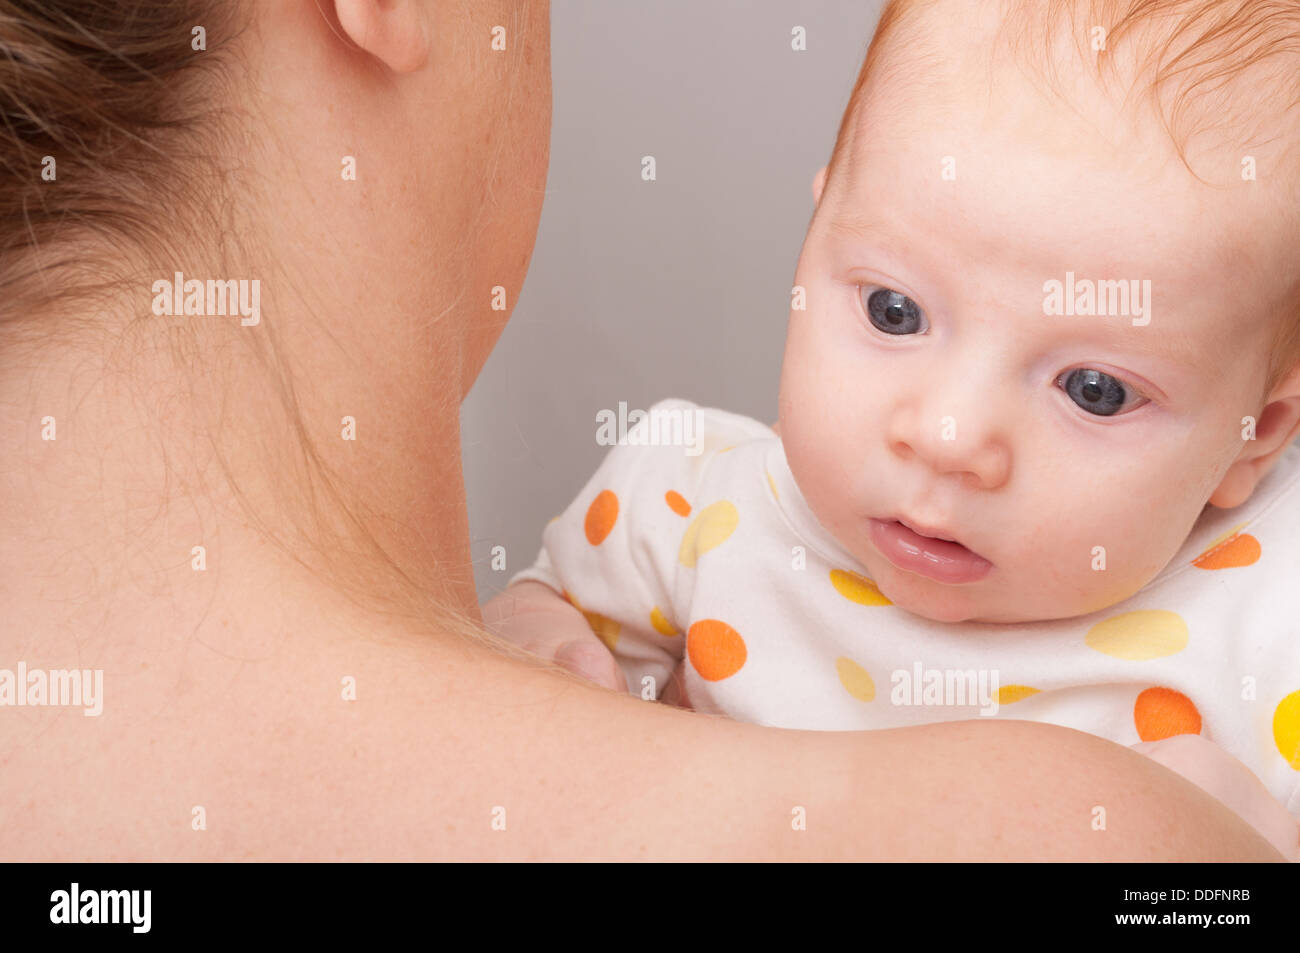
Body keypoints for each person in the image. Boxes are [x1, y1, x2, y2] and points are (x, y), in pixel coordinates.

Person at [0, 0, 1283, 861]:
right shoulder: (693, 498)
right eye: (893, 308)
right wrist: (549, 641)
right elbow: (558, 617)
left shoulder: (1260, 605)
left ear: (1256, 435)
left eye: (1099, 391)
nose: (951, 437)